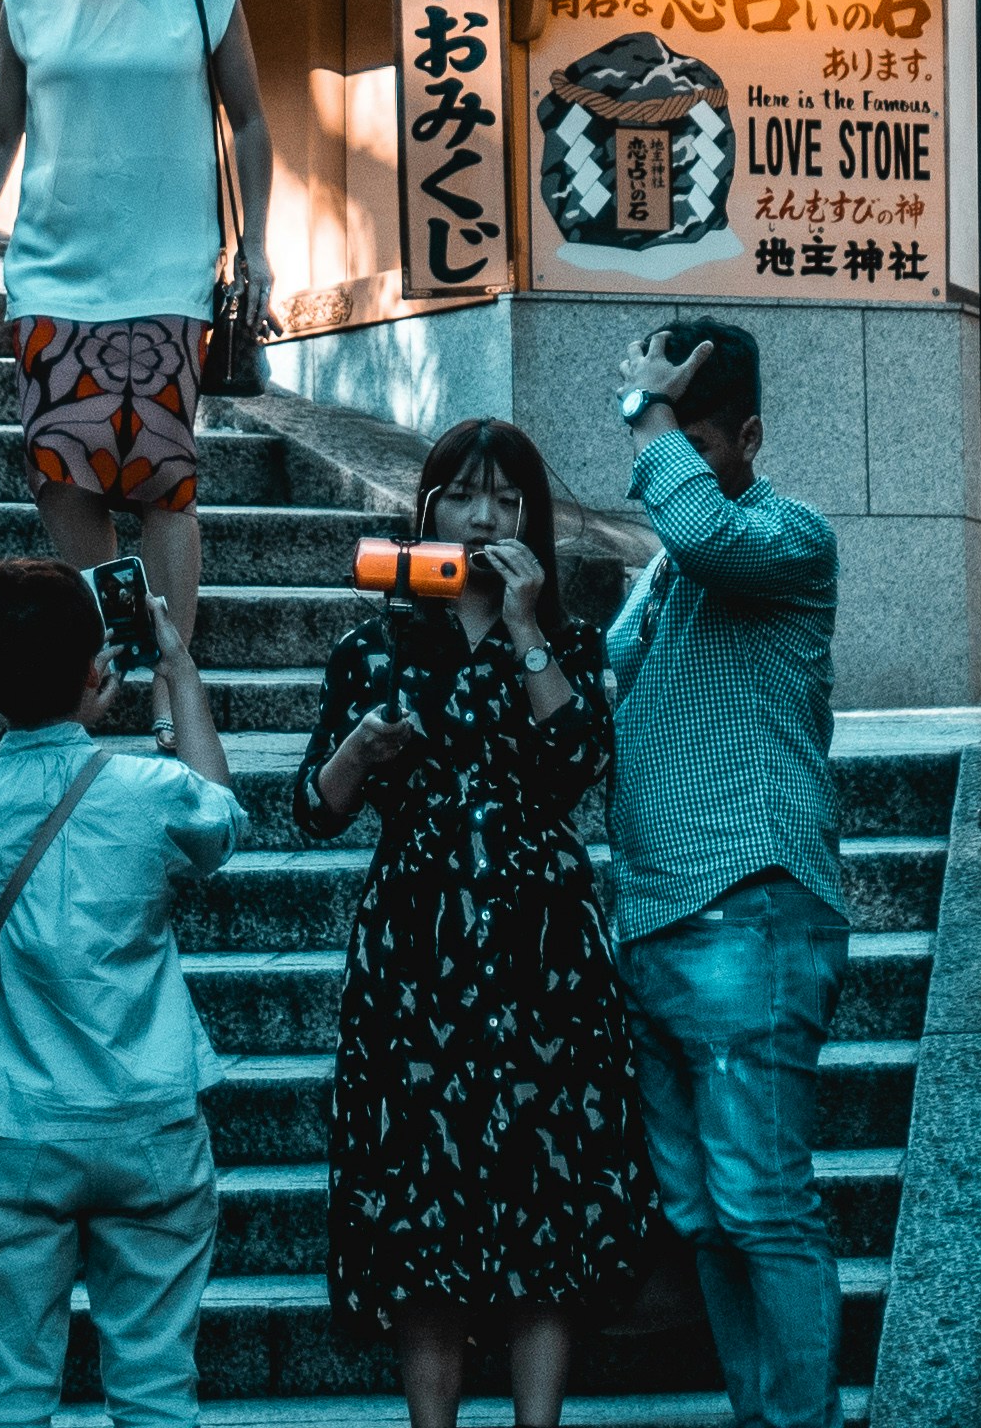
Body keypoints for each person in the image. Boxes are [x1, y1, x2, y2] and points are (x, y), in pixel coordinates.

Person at [295, 418, 656, 1428]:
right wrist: (364, 751)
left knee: (545, 1186)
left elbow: (578, 763)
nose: (486, 515)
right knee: (419, 1199)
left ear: (532, 523)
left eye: (507, 500)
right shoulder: (372, 646)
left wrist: (533, 625)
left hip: (543, 949)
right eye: (465, 495)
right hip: (415, 950)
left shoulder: (571, 641)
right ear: (429, 511)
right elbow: (313, 809)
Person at [0, 0, 278, 671]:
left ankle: (173, 672)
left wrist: (259, 250)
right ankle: (117, 646)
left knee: (164, 481)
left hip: (167, 277)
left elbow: (247, 121)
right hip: (53, 273)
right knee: (62, 471)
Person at [0, 557, 248, 1428]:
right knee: (154, 1387)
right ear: (99, 669)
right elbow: (222, 816)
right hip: (149, 1115)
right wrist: (177, 668)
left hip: (11, 1123)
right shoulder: (150, 794)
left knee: (10, 1389)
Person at [599, 322, 847, 1428]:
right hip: (657, 918)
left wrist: (646, 420)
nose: (679, 463)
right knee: (704, 1215)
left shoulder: (789, 533)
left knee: (762, 1208)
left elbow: (701, 528)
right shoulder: (665, 566)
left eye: (699, 440)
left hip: (749, 904)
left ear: (748, 436)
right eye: (669, 442)